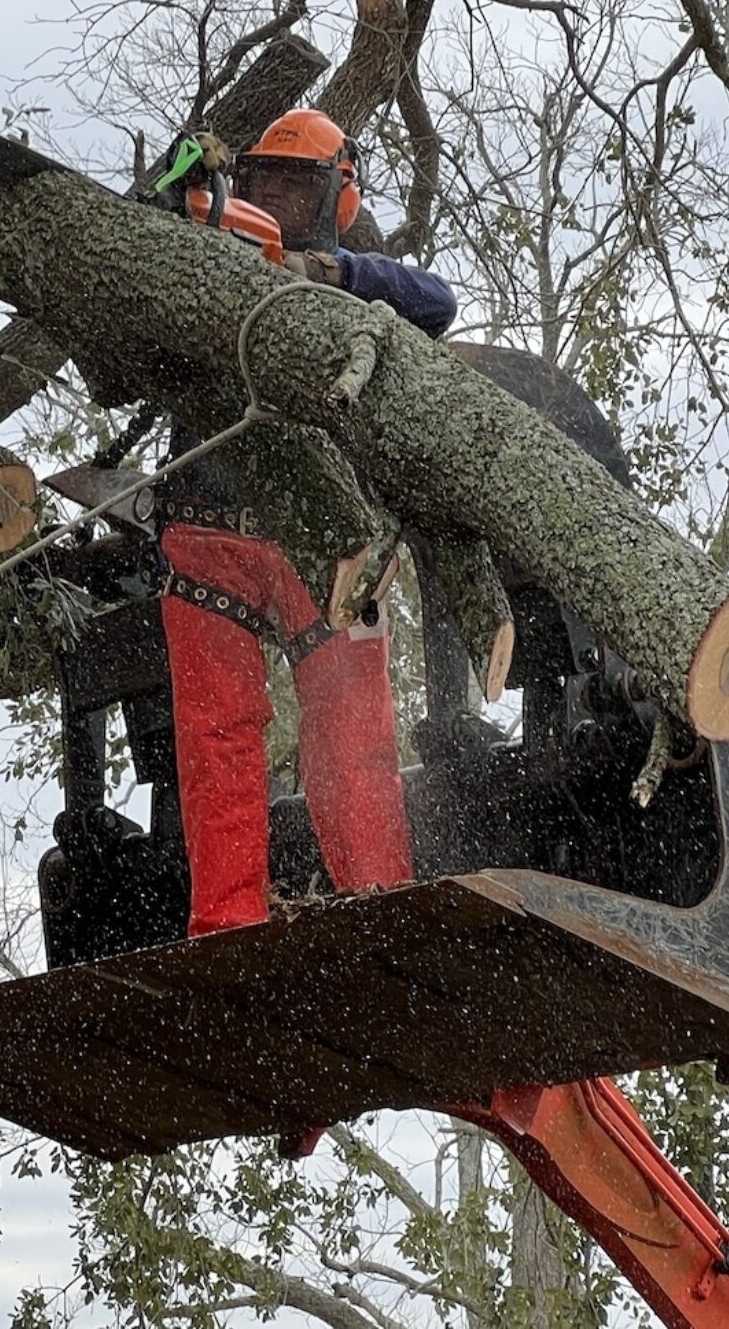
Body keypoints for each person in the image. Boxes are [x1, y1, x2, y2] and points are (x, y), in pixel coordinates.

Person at [156, 108, 457, 937]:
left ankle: (370, 913)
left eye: (296, 188)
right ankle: (249, 926)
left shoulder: (357, 285)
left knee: (343, 735)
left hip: (317, 542)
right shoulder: (198, 255)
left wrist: (333, 271)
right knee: (235, 739)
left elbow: (438, 301)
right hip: (228, 528)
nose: (281, 207)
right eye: (267, 188)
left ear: (338, 201)